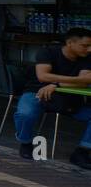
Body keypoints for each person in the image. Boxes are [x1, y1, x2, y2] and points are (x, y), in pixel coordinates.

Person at [14, 26, 91, 168]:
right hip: (37, 92)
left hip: (69, 97)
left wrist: (56, 84)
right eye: (85, 46)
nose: (89, 49)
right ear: (70, 43)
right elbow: (42, 76)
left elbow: (86, 81)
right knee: (25, 114)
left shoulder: (87, 58)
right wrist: (74, 80)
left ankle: (83, 151)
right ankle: (26, 143)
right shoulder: (48, 52)